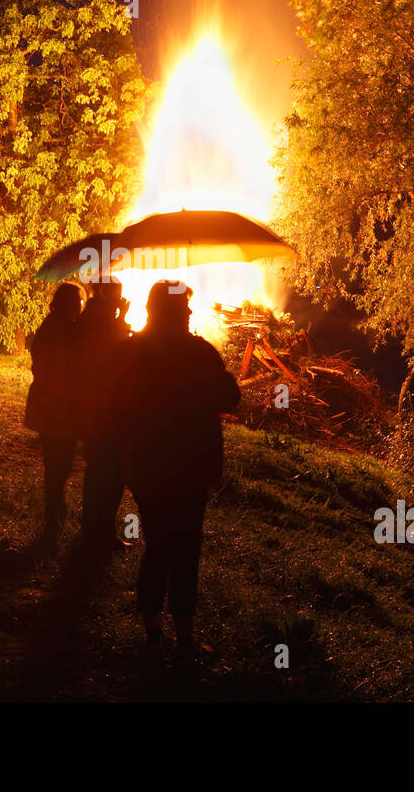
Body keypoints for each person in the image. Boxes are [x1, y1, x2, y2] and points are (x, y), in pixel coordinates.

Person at [119, 281, 240, 659]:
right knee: (186, 549)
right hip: (190, 466)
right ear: (174, 312)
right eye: (185, 308)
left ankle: (152, 631)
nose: (190, 313)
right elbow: (230, 399)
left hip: (147, 464)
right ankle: (185, 635)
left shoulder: (131, 351)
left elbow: (114, 403)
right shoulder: (201, 353)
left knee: (156, 546)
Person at [75, 279, 133, 551]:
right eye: (116, 294)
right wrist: (122, 319)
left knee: (102, 470)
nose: (120, 298)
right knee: (106, 471)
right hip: (102, 408)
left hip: (98, 406)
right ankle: (98, 531)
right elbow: (112, 354)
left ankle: (95, 529)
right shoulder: (97, 319)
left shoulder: (95, 315)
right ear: (102, 293)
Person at [25, 283, 83, 545]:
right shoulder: (65, 329)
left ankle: (55, 511)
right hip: (58, 406)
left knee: (56, 462)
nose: (80, 307)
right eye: (78, 302)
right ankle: (53, 514)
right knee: (60, 462)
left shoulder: (51, 325)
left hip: (48, 403)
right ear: (68, 304)